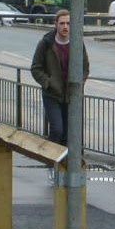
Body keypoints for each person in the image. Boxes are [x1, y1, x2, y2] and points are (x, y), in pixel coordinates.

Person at [30, 9, 89, 147]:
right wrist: (48, 82)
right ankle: (52, 160)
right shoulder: (46, 43)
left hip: (72, 95)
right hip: (52, 94)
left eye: (68, 23)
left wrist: (80, 83)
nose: (65, 27)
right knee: (57, 130)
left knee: (70, 133)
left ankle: (66, 164)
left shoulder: (77, 43)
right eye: (62, 23)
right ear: (55, 24)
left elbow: (85, 67)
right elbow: (35, 68)